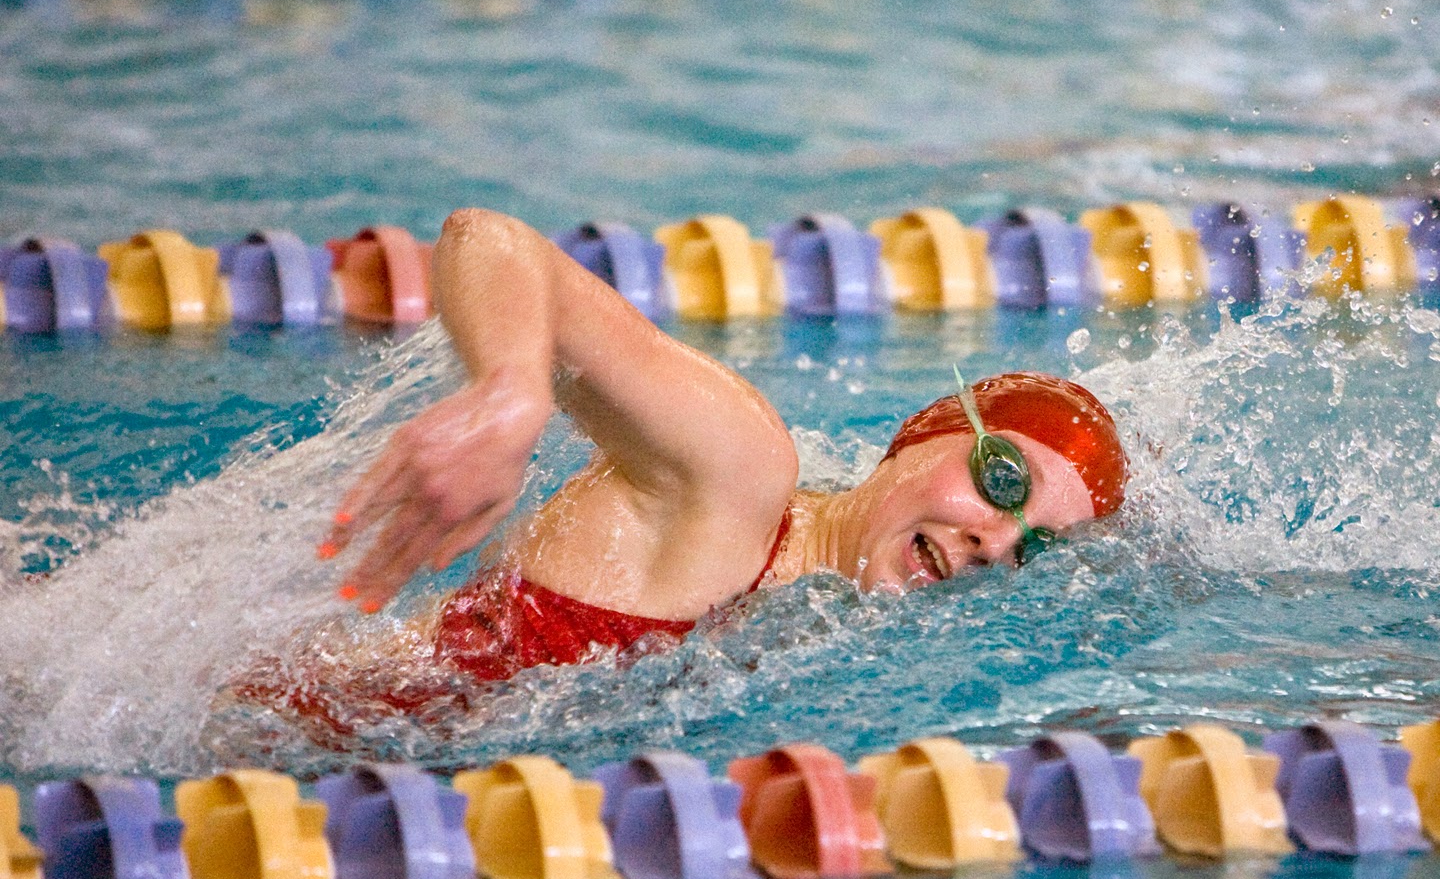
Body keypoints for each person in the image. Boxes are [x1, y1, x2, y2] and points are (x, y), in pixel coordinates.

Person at [317, 208, 1128, 687]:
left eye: (1033, 549)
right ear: (922, 436)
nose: (996, 540)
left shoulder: (831, 626)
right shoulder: (739, 472)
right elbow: (487, 238)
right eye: (1002, 480)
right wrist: (510, 395)